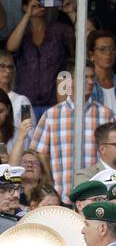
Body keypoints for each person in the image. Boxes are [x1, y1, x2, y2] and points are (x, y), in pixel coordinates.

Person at [31, 64, 116, 197]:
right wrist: (50, 179)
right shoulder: (51, 115)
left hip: (97, 195)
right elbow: (40, 152)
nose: (90, 81)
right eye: (85, 77)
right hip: (61, 192)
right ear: (70, 82)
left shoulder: (106, 114)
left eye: (92, 77)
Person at [7, 0, 77, 115]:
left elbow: (86, 37)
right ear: (24, 6)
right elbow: (11, 47)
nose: (40, 3)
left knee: (53, 134)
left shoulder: (59, 30)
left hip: (55, 101)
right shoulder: (21, 31)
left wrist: (71, 12)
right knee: (26, 132)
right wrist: (28, 14)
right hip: (25, 102)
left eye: (44, 0)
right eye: (37, 0)